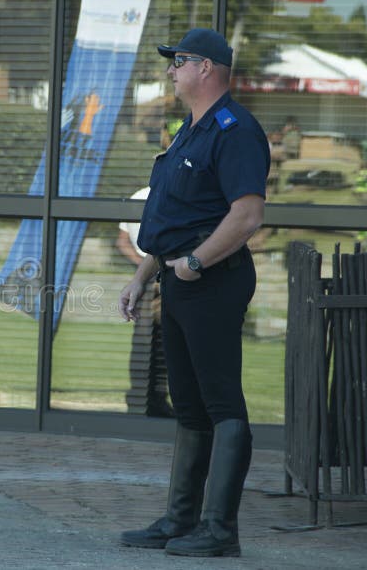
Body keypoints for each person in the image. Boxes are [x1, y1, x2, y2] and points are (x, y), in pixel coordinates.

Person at [117, 29, 269, 558]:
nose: (169, 70)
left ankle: (219, 530)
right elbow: (177, 218)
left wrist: (198, 262)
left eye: (177, 62)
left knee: (222, 403)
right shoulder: (190, 130)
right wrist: (142, 275)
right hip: (177, 279)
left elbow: (246, 214)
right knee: (189, 408)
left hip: (213, 282)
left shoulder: (235, 130)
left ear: (206, 68)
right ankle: (181, 522)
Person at [116, 187, 173, 418]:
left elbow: (122, 242)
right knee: (155, 340)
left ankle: (148, 399)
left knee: (150, 341)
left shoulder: (136, 195)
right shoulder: (167, 194)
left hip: (149, 271)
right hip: (160, 273)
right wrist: (147, 266)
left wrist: (141, 265)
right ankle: (149, 401)